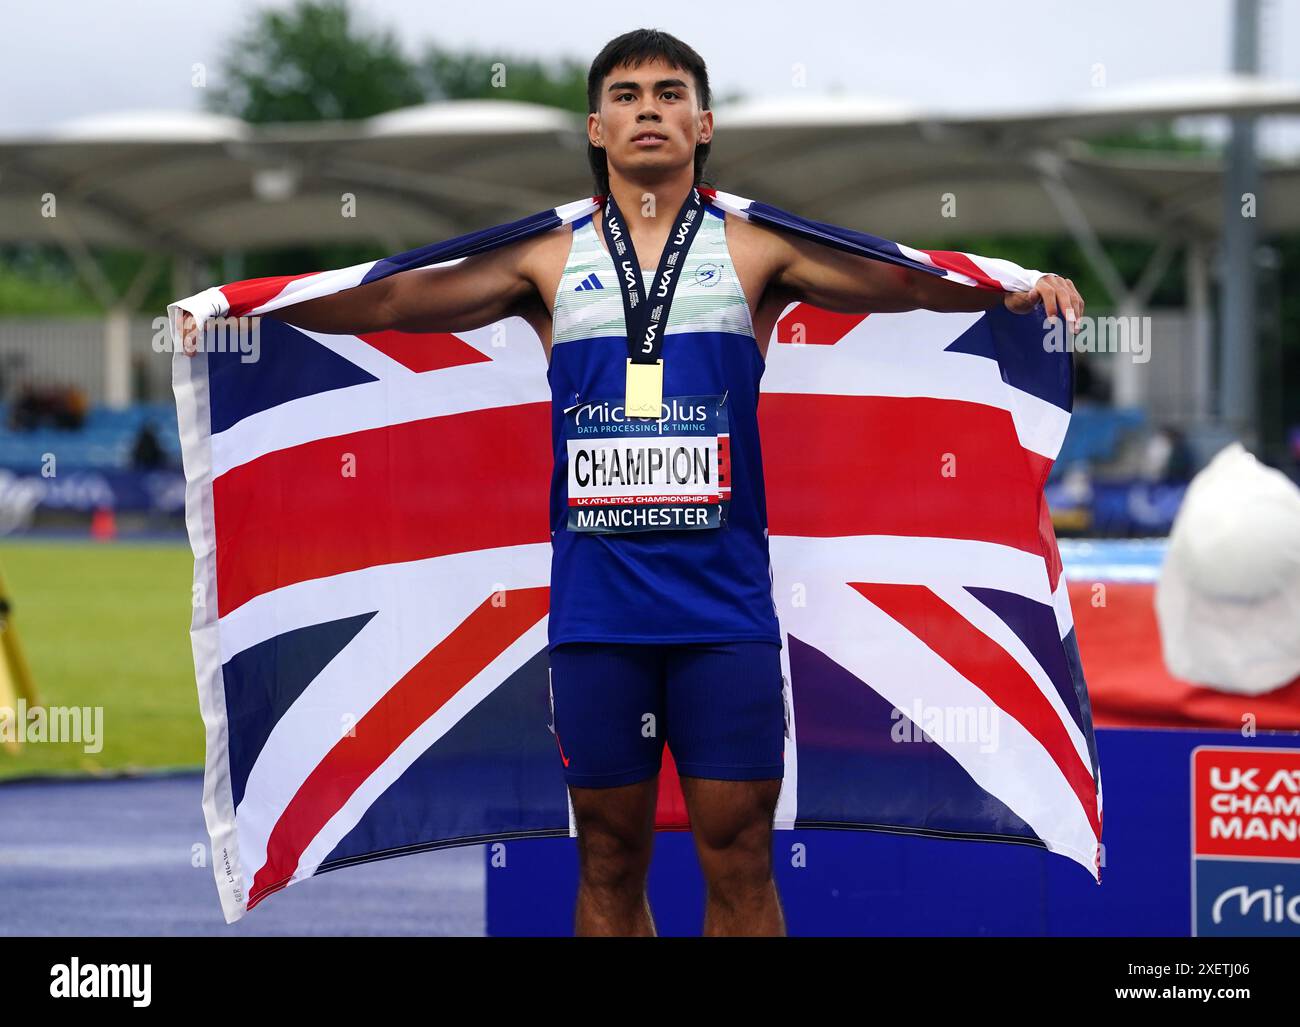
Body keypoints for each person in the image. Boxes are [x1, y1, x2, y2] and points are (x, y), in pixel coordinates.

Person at [181, 28, 1085, 937]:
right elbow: (388, 297)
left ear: (703, 123)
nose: (646, 107)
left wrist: (1001, 285)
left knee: (739, 854)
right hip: (597, 621)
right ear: (595, 127)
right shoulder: (546, 259)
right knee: (608, 857)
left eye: (666, 92)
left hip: (722, 618)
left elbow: (901, 280)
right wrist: (244, 309)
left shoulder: (755, 250)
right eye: (624, 95)